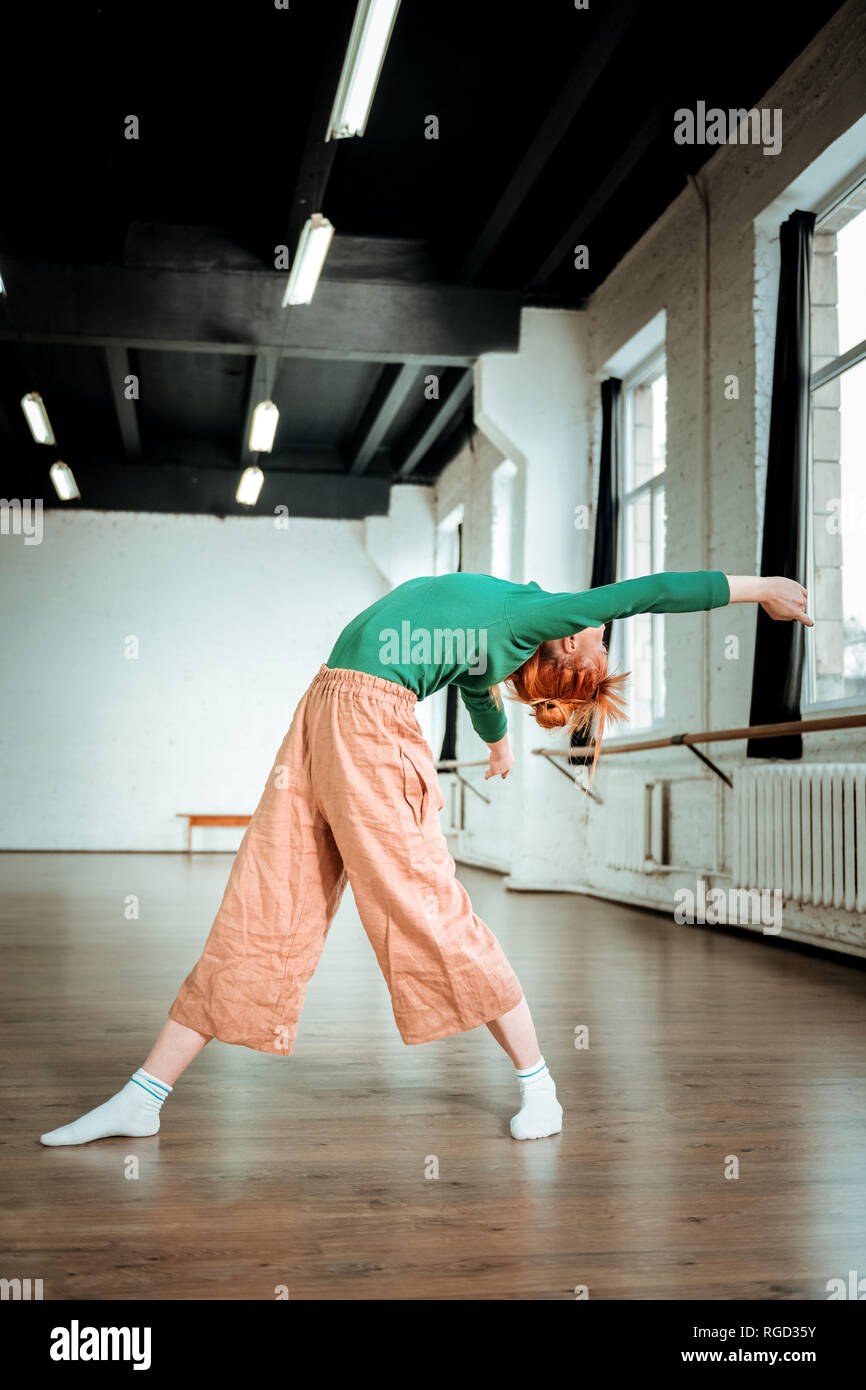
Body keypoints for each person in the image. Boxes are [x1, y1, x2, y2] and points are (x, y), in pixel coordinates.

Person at [39, 570, 811, 1147]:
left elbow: (655, 592)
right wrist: (502, 745)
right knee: (265, 902)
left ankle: (540, 1085)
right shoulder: (509, 619)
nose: (602, 628)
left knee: (429, 914)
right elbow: (482, 687)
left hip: (371, 726)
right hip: (320, 713)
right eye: (602, 634)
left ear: (570, 638)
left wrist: (756, 590)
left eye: (598, 633)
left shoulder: (535, 614)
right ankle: (146, 1094)